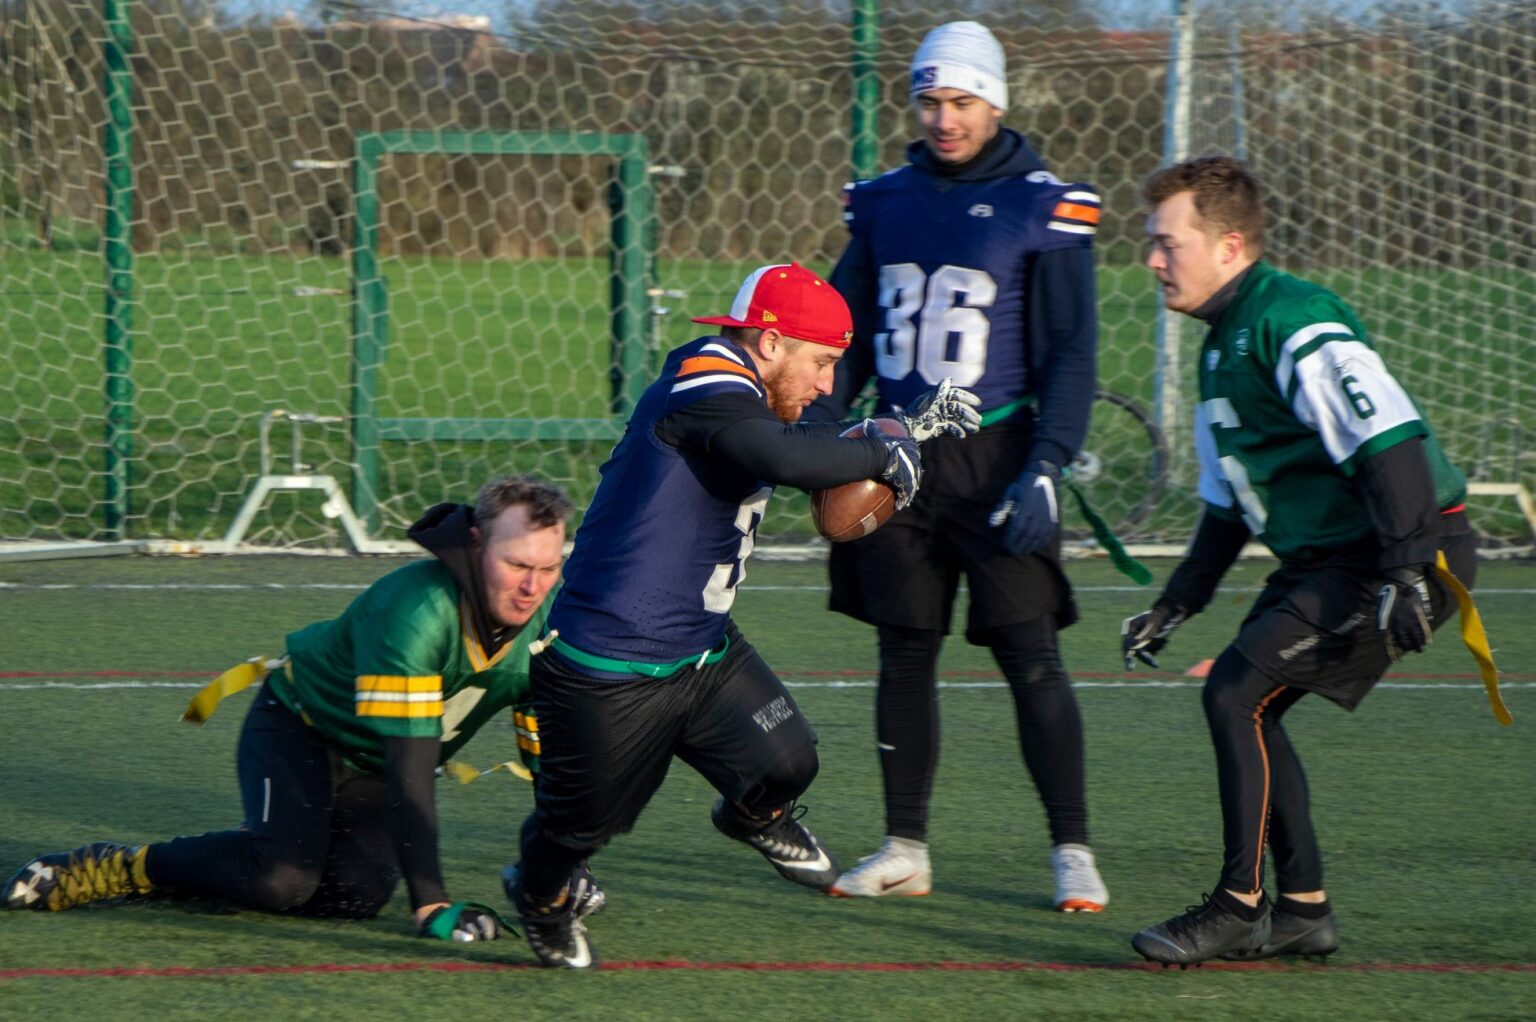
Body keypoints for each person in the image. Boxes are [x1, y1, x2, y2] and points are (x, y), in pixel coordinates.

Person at [505, 261, 979, 969]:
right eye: (819, 363)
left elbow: (812, 438)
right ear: (767, 342)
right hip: (612, 664)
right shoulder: (703, 378)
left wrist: (903, 426)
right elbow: (773, 453)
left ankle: (752, 815)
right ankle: (538, 898)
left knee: (790, 761)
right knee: (577, 830)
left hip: (702, 648)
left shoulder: (753, 388)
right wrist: (886, 445)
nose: (825, 383)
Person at [1125, 155, 1477, 966]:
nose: (1151, 260)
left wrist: (1404, 570)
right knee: (1250, 701)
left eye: (1165, 242)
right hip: (1338, 557)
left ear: (1230, 245)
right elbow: (1225, 505)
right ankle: (1303, 910)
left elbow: (1388, 441)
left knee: (1236, 694)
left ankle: (1240, 906)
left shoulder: (1291, 317)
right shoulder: (1222, 346)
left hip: (1402, 543)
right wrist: (1177, 602)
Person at [803, 20, 1107, 911]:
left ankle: (1072, 849)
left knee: (1030, 652)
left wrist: (1047, 463)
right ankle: (905, 846)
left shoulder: (1044, 202)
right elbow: (841, 335)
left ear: (997, 100)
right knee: (904, 651)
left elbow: (1071, 354)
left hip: (998, 451)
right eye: (930, 100)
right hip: (898, 456)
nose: (945, 118)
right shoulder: (883, 200)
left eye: (962, 100)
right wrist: (817, 436)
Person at [5, 475, 580, 944]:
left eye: (547, 568)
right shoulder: (415, 610)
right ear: (477, 543)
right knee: (281, 880)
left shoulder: (553, 621)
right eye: (516, 564)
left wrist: (558, 870)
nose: (532, 586)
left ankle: (247, 854)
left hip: (375, 766)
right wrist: (432, 903)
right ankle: (122, 865)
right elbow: (411, 771)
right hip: (301, 728)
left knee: (350, 899)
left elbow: (548, 753)